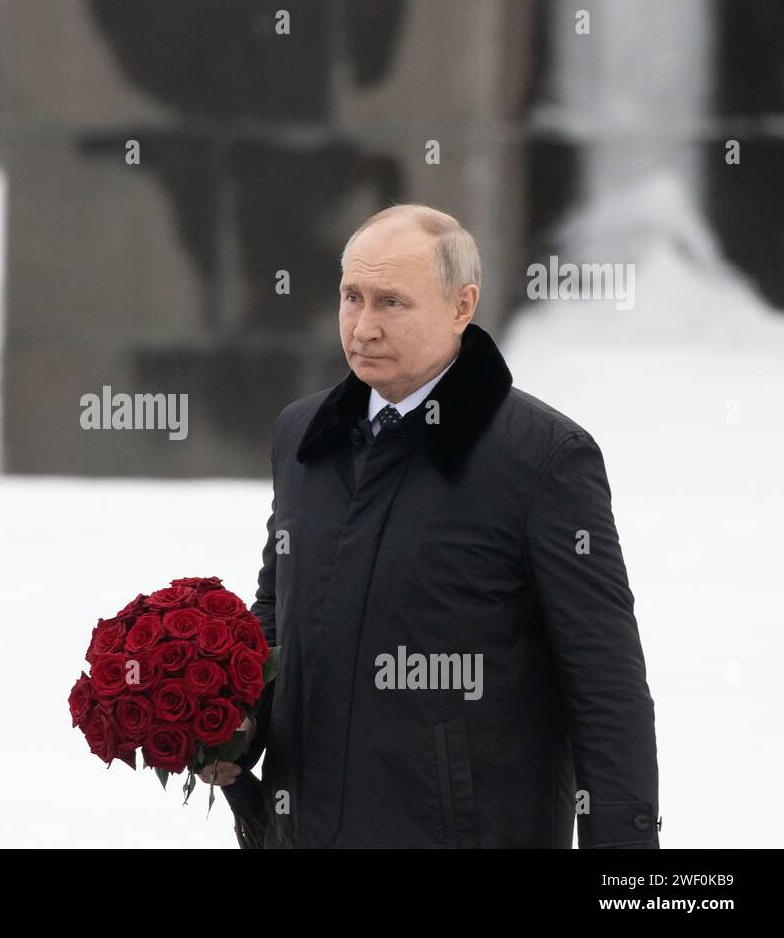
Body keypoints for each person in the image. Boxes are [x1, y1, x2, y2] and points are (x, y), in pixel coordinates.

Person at [206, 203, 660, 848]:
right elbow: (281, 608)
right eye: (351, 297)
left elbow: (604, 682)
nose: (363, 327)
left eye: (391, 302)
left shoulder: (544, 458)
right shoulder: (303, 433)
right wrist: (230, 723)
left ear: (460, 305)